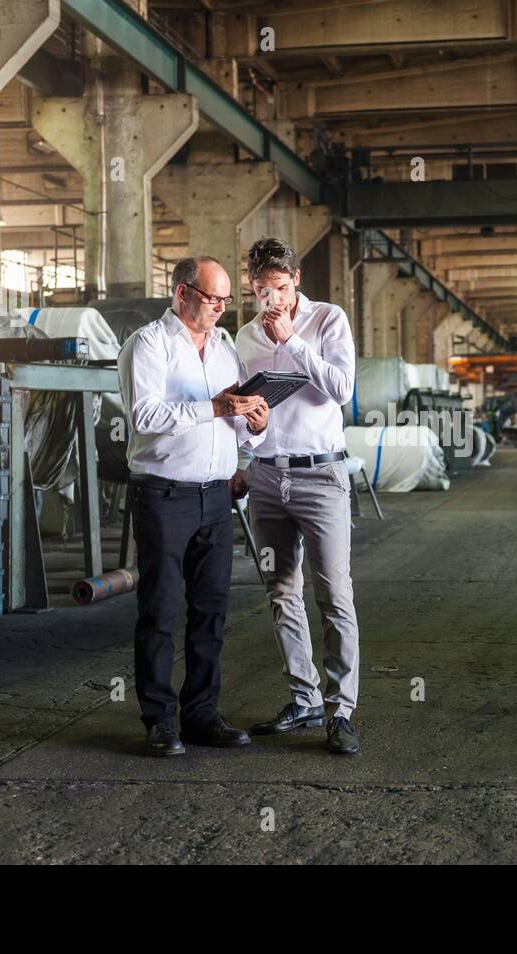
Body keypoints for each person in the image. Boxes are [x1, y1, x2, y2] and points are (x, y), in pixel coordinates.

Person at [117, 255, 268, 756]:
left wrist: (252, 424)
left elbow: (229, 417)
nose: (221, 309)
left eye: (227, 300)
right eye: (212, 299)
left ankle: (202, 713)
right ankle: (158, 720)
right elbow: (146, 415)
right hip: (163, 494)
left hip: (215, 495)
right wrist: (216, 406)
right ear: (181, 293)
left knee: (211, 610)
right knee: (160, 609)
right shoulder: (149, 344)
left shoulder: (225, 349)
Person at [232, 237, 363, 755]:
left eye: (281, 290)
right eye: (263, 292)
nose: (273, 302)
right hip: (266, 478)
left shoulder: (328, 320)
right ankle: (304, 697)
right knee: (281, 592)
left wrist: (293, 341)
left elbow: (343, 388)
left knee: (334, 593)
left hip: (321, 477)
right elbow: (246, 417)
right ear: (252, 287)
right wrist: (250, 444)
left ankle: (342, 710)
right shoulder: (242, 337)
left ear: (297, 280)